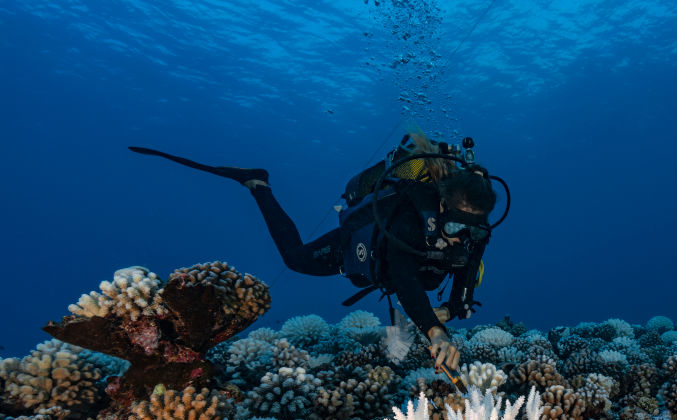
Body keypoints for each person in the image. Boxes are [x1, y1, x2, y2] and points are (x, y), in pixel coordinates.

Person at [130, 132, 503, 373]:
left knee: (395, 356)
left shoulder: (475, 232)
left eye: (473, 229)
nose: (463, 238)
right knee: (295, 259)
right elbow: (403, 278)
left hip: (409, 281)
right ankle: (258, 184)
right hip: (369, 255)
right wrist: (436, 332)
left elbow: (463, 295)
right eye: (456, 226)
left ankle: (396, 354)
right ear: (440, 207)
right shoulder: (409, 219)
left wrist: (443, 314)